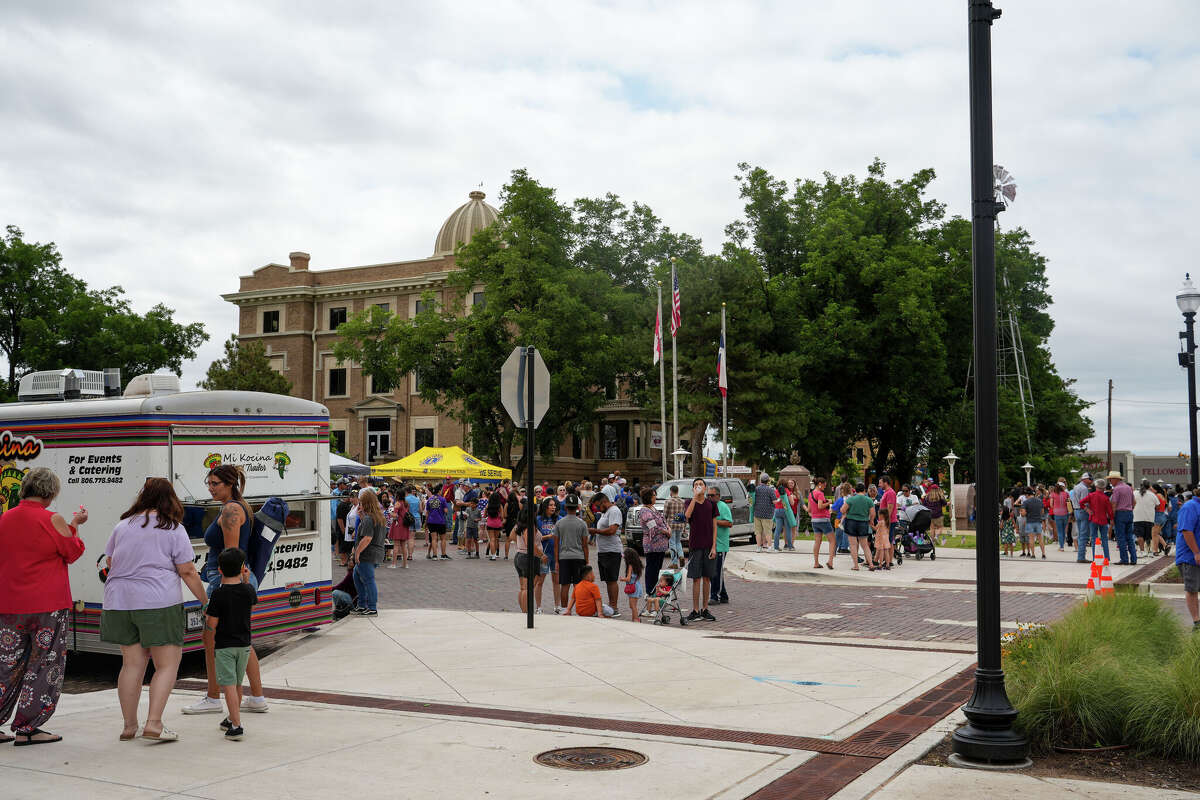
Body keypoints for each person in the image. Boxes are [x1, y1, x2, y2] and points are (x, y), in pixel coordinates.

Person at [101, 478, 207, 742]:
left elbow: (111, 562)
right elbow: (187, 570)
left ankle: (128, 726)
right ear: (170, 499)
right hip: (158, 601)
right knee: (167, 664)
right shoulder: (173, 528)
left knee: (132, 665)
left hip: (120, 602)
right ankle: (155, 723)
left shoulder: (122, 525)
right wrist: (205, 600)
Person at [0, 467, 87, 746]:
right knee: (44, 663)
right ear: (50, 493)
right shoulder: (53, 519)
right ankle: (28, 727)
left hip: (9, 602)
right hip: (47, 604)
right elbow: (72, 551)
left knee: (7, 663)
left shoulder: (5, 518)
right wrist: (75, 525)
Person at [184, 464, 268, 715]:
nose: (210, 488)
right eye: (208, 484)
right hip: (233, 578)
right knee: (241, 640)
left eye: (215, 484)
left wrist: (226, 587)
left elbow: (232, 555)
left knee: (212, 638)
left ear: (230, 484)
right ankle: (256, 697)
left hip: (226, 578)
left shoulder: (231, 508)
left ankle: (213, 698)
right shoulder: (235, 506)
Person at [205, 547, 258, 741]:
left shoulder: (218, 595)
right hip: (244, 645)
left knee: (227, 685)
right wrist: (246, 580)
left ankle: (236, 726)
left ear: (219, 570)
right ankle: (231, 717)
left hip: (225, 646)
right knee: (237, 683)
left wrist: (207, 616)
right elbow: (250, 605)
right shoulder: (248, 590)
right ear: (243, 568)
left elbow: (212, 624)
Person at [684, 478, 718, 622]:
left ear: (705, 488)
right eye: (696, 485)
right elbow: (687, 516)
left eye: (701, 484)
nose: (698, 487)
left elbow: (715, 526)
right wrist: (694, 498)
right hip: (695, 546)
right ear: (693, 488)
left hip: (708, 546)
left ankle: (705, 609)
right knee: (696, 578)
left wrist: (714, 546)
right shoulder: (688, 502)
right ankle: (695, 610)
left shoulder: (711, 504)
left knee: (707, 578)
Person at [349, 488, 386, 615]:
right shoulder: (377, 517)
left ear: (366, 503)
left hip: (367, 554)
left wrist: (357, 552)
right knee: (357, 575)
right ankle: (362, 604)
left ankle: (371, 607)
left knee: (368, 580)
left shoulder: (369, 519)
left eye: (361, 503)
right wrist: (361, 517)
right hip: (376, 553)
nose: (359, 505)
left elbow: (367, 538)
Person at [588, 493, 625, 617]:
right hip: (603, 551)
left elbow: (612, 530)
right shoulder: (605, 512)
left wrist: (596, 531)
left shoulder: (614, 511)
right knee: (608, 580)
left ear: (604, 501)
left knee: (612, 580)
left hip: (612, 551)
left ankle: (614, 607)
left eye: (598, 506)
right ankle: (611, 606)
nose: (598, 509)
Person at [554, 495, 590, 612]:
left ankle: (564, 609)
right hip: (579, 557)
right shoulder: (582, 524)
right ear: (577, 507)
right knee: (578, 585)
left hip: (564, 557)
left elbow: (556, 544)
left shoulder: (559, 523)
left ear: (565, 507)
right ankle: (580, 608)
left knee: (565, 585)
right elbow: (585, 545)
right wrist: (587, 560)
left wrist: (556, 560)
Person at [1174, 489, 1200, 632]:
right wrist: (1196, 552)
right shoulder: (1190, 507)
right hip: (1190, 556)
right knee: (1192, 589)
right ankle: (1197, 622)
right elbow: (1186, 531)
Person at [513, 513, 547, 614]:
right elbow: (530, 544)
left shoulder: (519, 525)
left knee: (523, 588)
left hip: (520, 555)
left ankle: (524, 611)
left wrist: (520, 544)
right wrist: (542, 555)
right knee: (528, 588)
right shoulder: (529, 526)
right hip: (528, 557)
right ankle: (526, 613)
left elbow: (511, 535)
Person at [841, 483, 875, 571]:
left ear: (855, 490)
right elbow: (872, 514)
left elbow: (842, 510)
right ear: (864, 490)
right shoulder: (869, 500)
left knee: (853, 545)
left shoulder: (851, 499)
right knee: (865, 545)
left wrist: (848, 513)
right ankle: (871, 564)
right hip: (863, 523)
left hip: (851, 522)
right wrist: (870, 521)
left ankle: (856, 565)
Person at [708, 485, 733, 605]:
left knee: (716, 571)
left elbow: (729, 523)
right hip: (711, 545)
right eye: (708, 495)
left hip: (721, 545)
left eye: (712, 495)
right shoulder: (708, 506)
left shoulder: (722, 506)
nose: (710, 497)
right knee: (714, 570)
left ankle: (715, 596)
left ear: (718, 496)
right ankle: (723, 595)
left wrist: (715, 521)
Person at [1107, 470, 1137, 565]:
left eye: (1111, 479)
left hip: (1120, 513)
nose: (1110, 481)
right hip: (1129, 513)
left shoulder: (1116, 489)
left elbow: (1114, 503)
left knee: (1121, 537)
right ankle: (1133, 559)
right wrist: (1129, 509)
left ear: (1115, 479)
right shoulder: (1128, 488)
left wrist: (1112, 517)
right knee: (1129, 537)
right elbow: (1134, 502)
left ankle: (1124, 559)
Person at [1080, 480, 1114, 562]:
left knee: (1094, 539)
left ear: (1096, 486)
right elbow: (1110, 511)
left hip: (1093, 519)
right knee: (1104, 539)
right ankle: (1106, 558)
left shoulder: (1091, 495)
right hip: (1103, 520)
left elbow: (1081, 502)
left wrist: (1087, 509)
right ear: (1104, 488)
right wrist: (1112, 519)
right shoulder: (1106, 498)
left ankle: (1095, 557)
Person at [535, 498, 558, 613]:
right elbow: (533, 538)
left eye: (554, 505)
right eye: (551, 505)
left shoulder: (558, 519)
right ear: (545, 507)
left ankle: (557, 606)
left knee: (556, 581)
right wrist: (547, 537)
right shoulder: (538, 520)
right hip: (543, 554)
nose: (553, 507)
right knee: (540, 581)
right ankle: (538, 607)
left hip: (556, 554)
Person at [809, 477, 835, 569]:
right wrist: (829, 502)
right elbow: (820, 506)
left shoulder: (811, 494)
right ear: (820, 483)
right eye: (824, 484)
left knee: (817, 541)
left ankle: (816, 563)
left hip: (814, 520)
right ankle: (830, 561)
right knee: (832, 541)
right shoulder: (820, 493)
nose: (825, 486)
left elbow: (809, 509)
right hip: (823, 520)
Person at [1071, 472, 1095, 562]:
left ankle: (1081, 556)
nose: (1091, 481)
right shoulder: (1084, 489)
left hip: (1076, 511)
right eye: (1090, 479)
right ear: (1085, 479)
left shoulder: (1076, 487)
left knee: (1081, 534)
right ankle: (1081, 557)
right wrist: (1089, 510)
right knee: (1084, 535)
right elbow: (1084, 503)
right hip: (1083, 511)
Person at [1133, 479, 1159, 559]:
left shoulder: (1134, 493)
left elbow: (1132, 503)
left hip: (1137, 517)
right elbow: (1157, 505)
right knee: (1149, 536)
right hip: (1149, 517)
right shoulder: (1152, 495)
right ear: (1149, 487)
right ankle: (1150, 552)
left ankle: (1142, 551)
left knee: (1139, 535)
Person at [388, 489, 414, 568]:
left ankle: (394, 564)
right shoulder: (406, 503)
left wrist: (390, 513)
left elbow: (395, 515)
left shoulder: (398, 503)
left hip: (398, 525)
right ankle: (405, 564)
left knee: (396, 545)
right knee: (403, 545)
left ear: (398, 495)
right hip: (405, 525)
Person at [425, 485, 450, 560]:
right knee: (443, 539)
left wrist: (426, 522)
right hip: (440, 521)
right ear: (439, 491)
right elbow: (446, 511)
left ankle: (434, 555)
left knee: (433, 539)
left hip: (431, 521)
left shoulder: (429, 499)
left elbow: (427, 512)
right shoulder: (442, 499)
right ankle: (443, 555)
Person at [664, 484, 687, 566]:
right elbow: (684, 515)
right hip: (680, 524)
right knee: (678, 542)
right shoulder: (683, 501)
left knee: (672, 543)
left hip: (671, 525)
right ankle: (681, 556)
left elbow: (665, 515)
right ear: (678, 491)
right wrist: (684, 526)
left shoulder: (668, 501)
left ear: (671, 491)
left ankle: (674, 562)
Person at [484, 485, 506, 561]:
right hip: (497, 524)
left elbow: (484, 515)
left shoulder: (488, 505)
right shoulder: (500, 506)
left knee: (492, 539)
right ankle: (496, 554)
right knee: (496, 539)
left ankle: (493, 556)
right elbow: (502, 517)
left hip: (490, 523)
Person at [621, 548, 644, 622]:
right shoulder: (637, 565)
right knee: (633, 605)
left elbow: (628, 579)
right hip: (637, 585)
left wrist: (622, 579)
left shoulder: (630, 566)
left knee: (632, 606)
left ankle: (636, 619)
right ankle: (634, 619)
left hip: (633, 587)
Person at [1048, 482, 1070, 552]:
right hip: (1065, 513)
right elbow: (1069, 504)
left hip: (1057, 513)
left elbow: (1051, 505)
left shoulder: (1053, 494)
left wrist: (1055, 507)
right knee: (1064, 530)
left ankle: (1061, 547)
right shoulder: (1066, 494)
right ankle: (1062, 543)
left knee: (1059, 531)